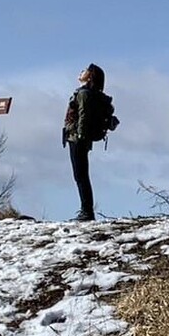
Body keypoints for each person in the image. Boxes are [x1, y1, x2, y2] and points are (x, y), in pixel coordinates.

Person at [62, 63, 105, 221]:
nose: (81, 71)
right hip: (78, 138)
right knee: (81, 175)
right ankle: (86, 210)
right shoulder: (85, 93)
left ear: (90, 76)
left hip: (77, 138)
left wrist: (80, 135)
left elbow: (83, 115)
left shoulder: (84, 93)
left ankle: (87, 211)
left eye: (85, 70)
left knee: (80, 175)